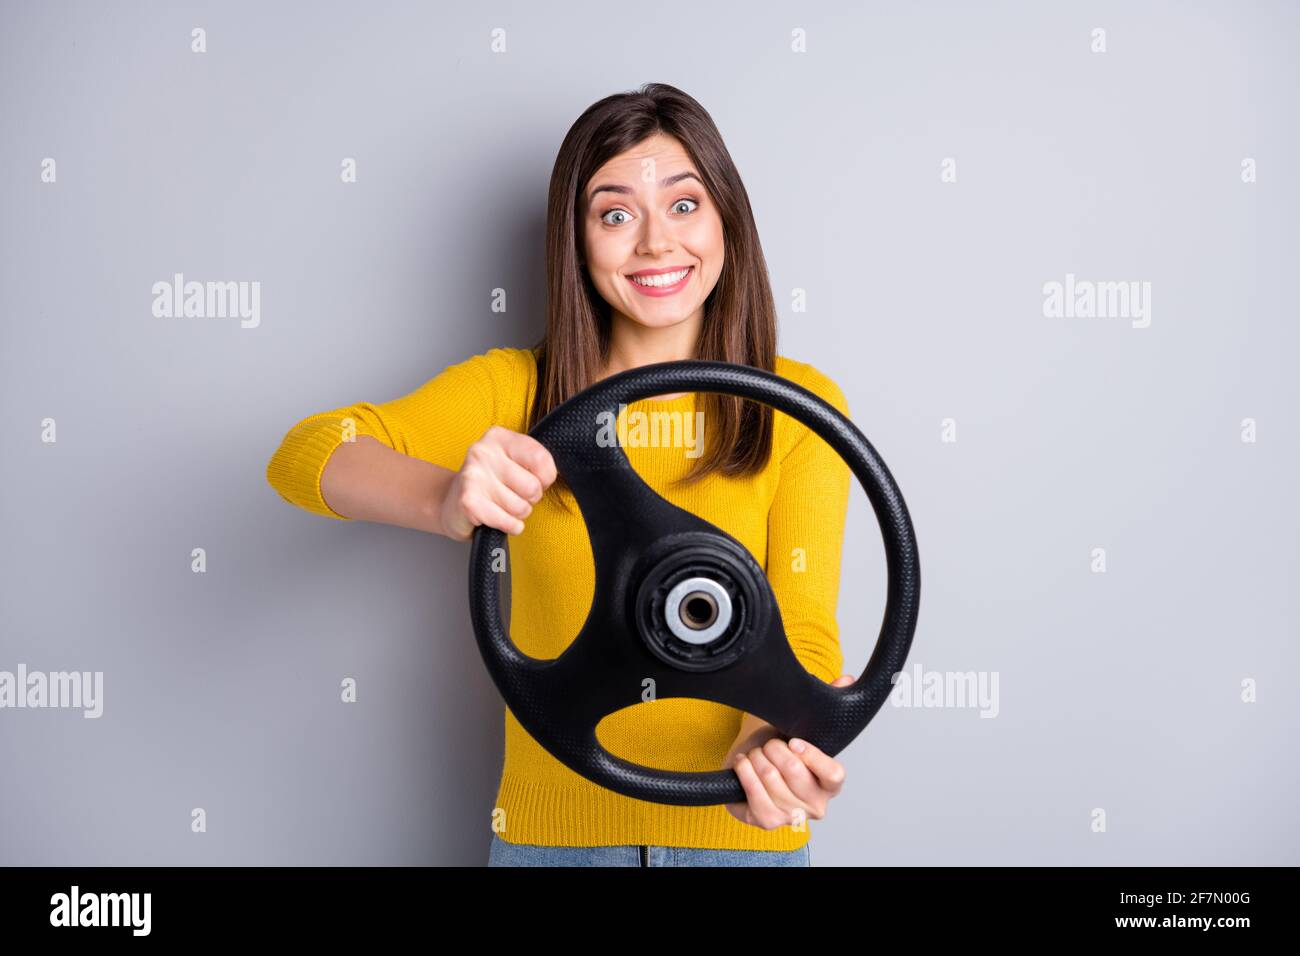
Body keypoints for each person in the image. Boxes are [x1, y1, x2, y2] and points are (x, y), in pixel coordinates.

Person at [266, 82, 856, 867]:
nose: (654, 243)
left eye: (684, 205)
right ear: (577, 242)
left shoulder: (802, 407)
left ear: (727, 223)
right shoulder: (518, 391)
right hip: (554, 844)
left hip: (744, 844)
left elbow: (805, 626)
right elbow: (305, 455)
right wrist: (445, 500)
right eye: (615, 214)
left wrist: (769, 748)